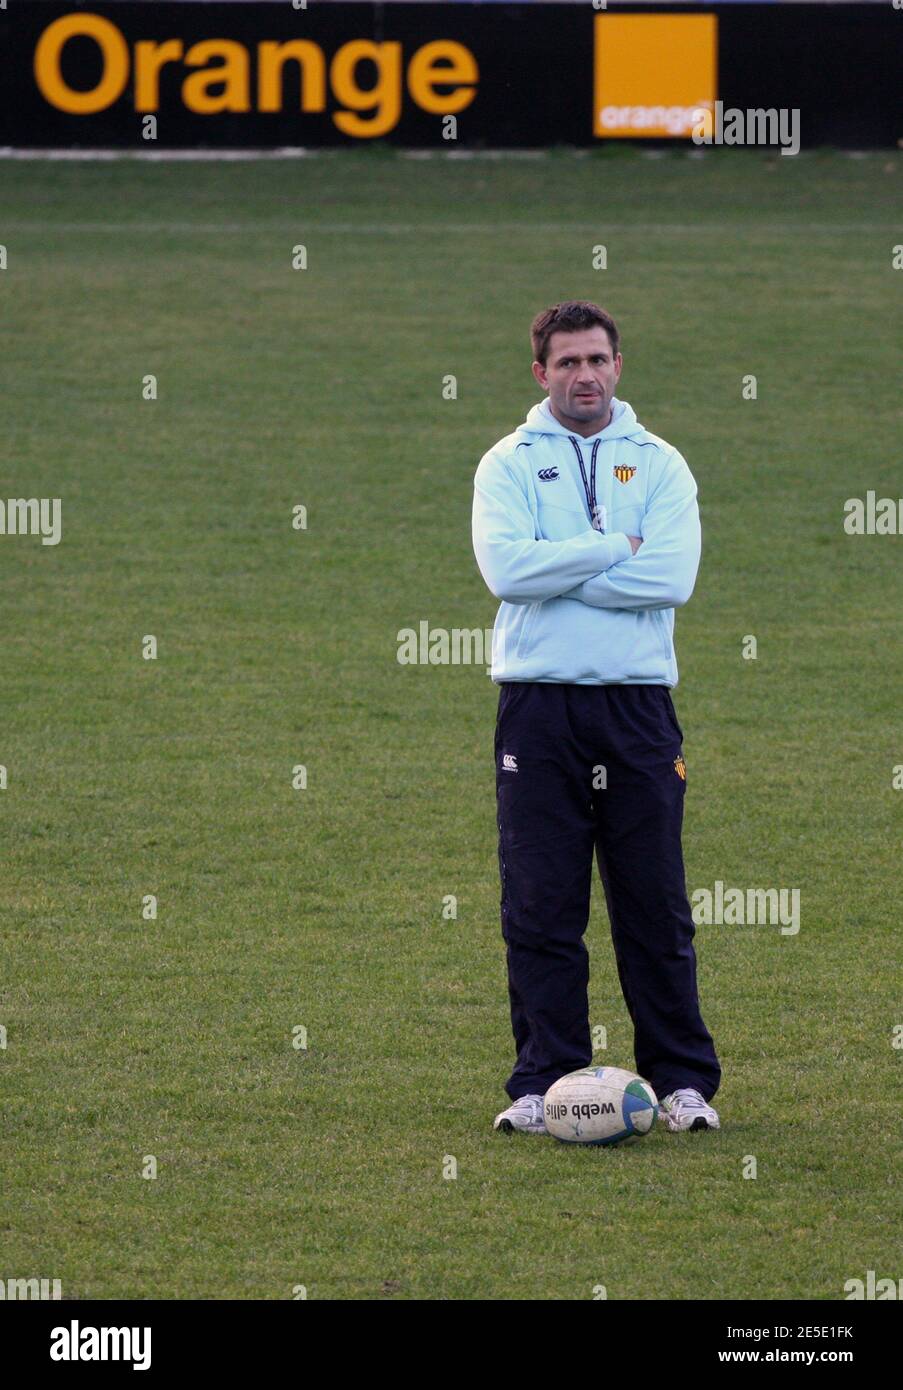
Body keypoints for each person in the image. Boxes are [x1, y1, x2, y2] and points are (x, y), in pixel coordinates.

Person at [472, 300, 721, 1135]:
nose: (585, 375)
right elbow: (506, 571)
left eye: (598, 360)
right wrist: (618, 548)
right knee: (540, 905)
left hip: (636, 707)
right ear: (539, 372)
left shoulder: (660, 464)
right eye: (568, 362)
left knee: (653, 901)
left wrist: (561, 569)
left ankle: (682, 1082)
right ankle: (543, 1083)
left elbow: (673, 580)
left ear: (620, 366)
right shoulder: (506, 462)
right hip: (538, 709)